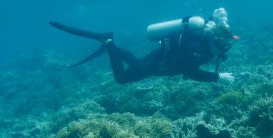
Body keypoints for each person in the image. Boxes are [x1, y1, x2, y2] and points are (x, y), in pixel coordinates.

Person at [50, 8, 236, 84]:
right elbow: (191, 72)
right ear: (214, 41)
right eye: (221, 47)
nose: (220, 52)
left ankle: (109, 43)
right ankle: (108, 43)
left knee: (135, 64)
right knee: (121, 78)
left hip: (160, 61)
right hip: (159, 63)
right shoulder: (195, 48)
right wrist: (218, 77)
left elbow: (189, 70)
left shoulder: (205, 46)